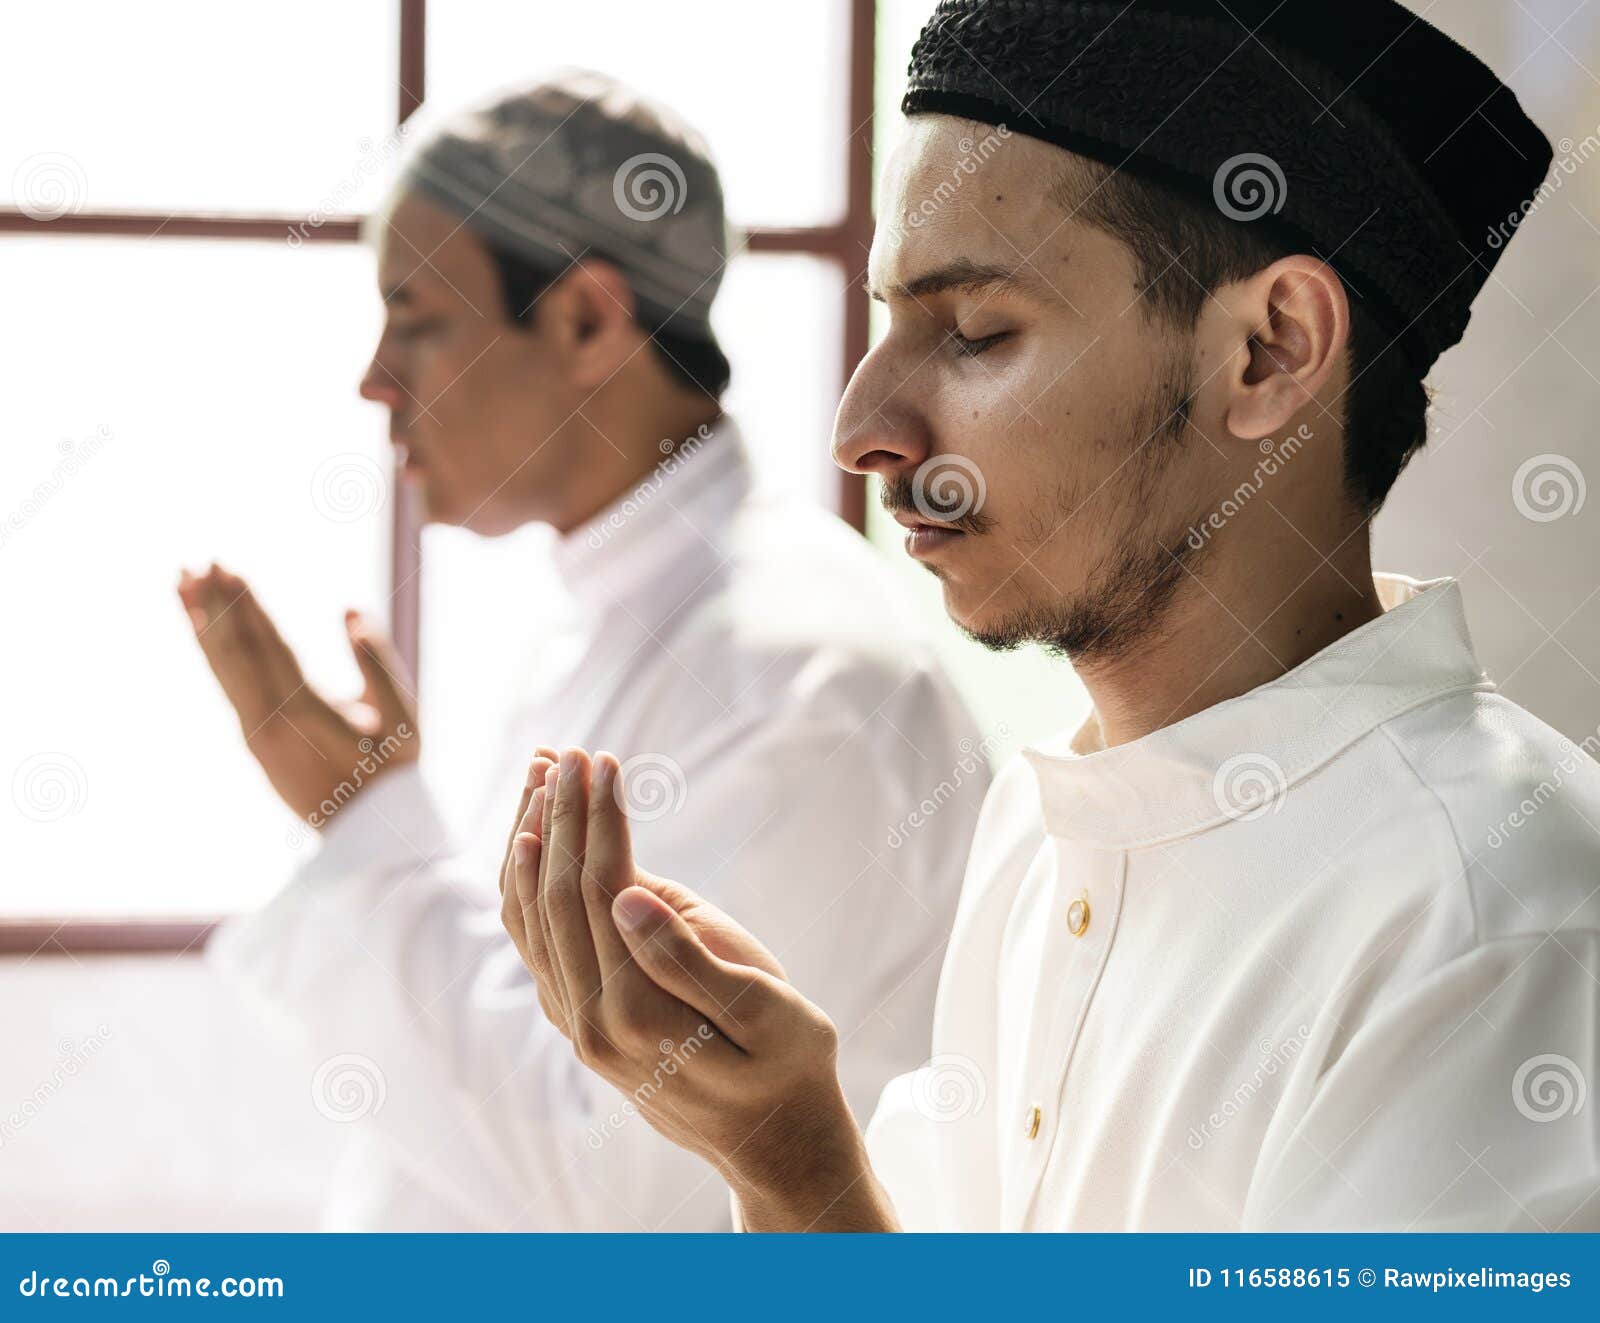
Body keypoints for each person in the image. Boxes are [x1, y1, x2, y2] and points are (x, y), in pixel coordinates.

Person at [500, 2, 1600, 1231]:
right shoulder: (1038, 829)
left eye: (975, 333)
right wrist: (781, 1157)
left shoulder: (1495, 913)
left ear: (1268, 352)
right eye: (885, 323)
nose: (862, 430)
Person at [177, 70, 988, 1231]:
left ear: (588, 321)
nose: (374, 379)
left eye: (415, 318)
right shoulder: (596, 614)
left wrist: (361, 823)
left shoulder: (805, 682)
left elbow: (627, 1192)